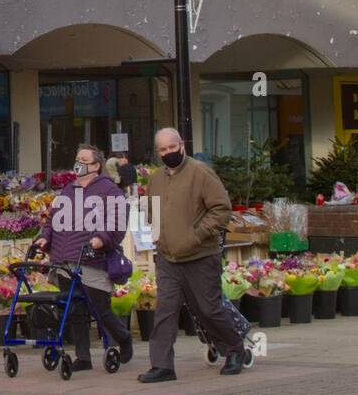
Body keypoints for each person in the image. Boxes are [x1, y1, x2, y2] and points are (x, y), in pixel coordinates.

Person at [137, 127, 243, 381]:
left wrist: (195, 236)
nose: (167, 153)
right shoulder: (156, 179)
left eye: (171, 147)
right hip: (168, 257)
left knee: (209, 309)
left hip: (200, 256)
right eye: (162, 150)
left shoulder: (200, 172)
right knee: (165, 312)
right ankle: (162, 365)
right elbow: (154, 212)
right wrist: (159, 237)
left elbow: (221, 210)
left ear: (181, 145)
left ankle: (235, 348)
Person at [32, 145, 133, 370]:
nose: (78, 163)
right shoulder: (68, 190)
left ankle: (123, 337)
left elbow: (117, 222)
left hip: (92, 258)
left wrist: (101, 238)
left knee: (100, 309)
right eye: (77, 159)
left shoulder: (109, 190)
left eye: (83, 160)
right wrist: (44, 237)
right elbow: (52, 220)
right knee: (74, 309)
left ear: (96, 166)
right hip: (65, 257)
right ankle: (83, 357)